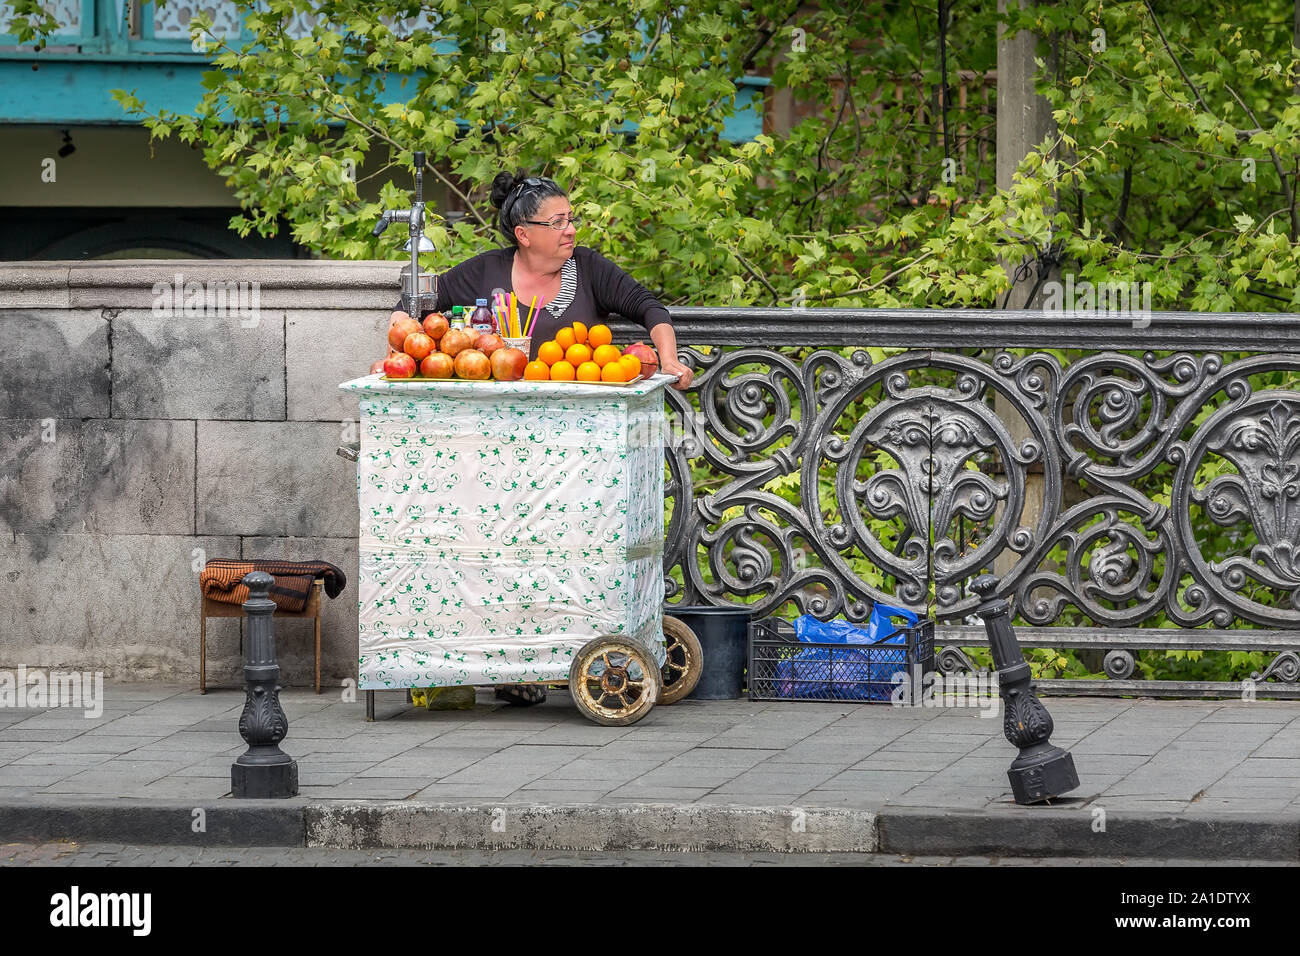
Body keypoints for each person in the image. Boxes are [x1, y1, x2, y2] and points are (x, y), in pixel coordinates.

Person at [395, 170, 694, 390]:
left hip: (579, 422)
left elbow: (649, 307)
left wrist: (669, 360)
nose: (571, 230)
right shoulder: (485, 270)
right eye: (557, 223)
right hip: (496, 420)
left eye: (571, 218)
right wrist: (395, 360)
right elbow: (410, 308)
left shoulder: (588, 267)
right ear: (523, 234)